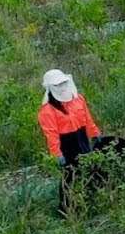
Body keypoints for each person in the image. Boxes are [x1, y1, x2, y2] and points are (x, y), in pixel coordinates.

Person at [38, 69, 102, 217]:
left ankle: (88, 200)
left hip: (81, 138)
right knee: (70, 175)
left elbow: (87, 118)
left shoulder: (78, 99)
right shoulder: (47, 111)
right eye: (57, 84)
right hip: (66, 144)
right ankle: (66, 209)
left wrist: (94, 132)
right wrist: (57, 153)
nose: (61, 86)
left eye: (62, 83)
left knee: (87, 167)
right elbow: (51, 133)